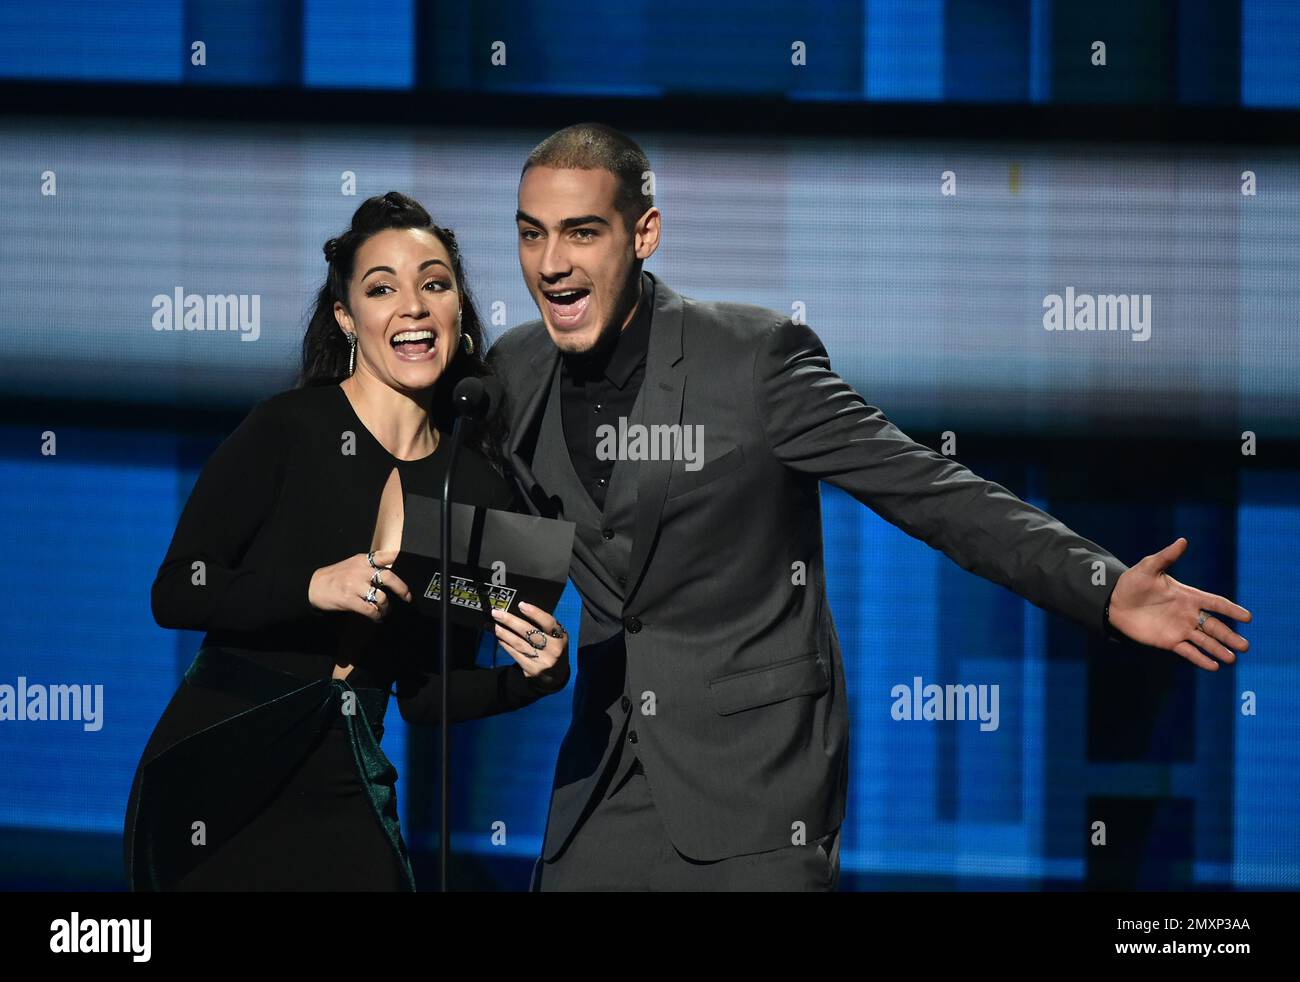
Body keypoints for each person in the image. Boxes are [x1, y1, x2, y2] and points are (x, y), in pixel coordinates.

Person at [487, 123, 1253, 891]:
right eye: (532, 236)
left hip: (756, 794)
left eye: (581, 233)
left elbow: (929, 489)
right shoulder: (515, 371)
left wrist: (1104, 585)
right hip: (601, 788)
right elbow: (473, 529)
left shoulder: (754, 361)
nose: (552, 265)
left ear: (644, 232)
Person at [124, 192, 569, 891]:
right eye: (382, 288)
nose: (414, 305)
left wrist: (530, 681)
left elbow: (423, 697)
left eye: (435, 283)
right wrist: (312, 588)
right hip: (224, 759)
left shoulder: (476, 485)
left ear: (460, 316)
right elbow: (177, 589)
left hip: (348, 776)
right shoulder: (288, 427)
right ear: (347, 318)